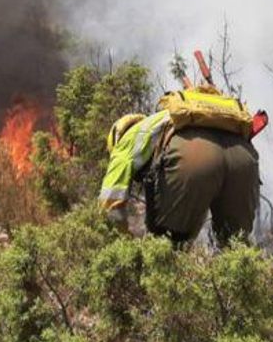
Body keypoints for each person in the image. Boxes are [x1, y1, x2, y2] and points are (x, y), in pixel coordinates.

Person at [99, 85, 264, 246]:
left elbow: (110, 203)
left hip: (194, 152)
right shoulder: (164, 120)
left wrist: (122, 244)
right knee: (236, 247)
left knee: (168, 247)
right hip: (244, 157)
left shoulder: (127, 139)